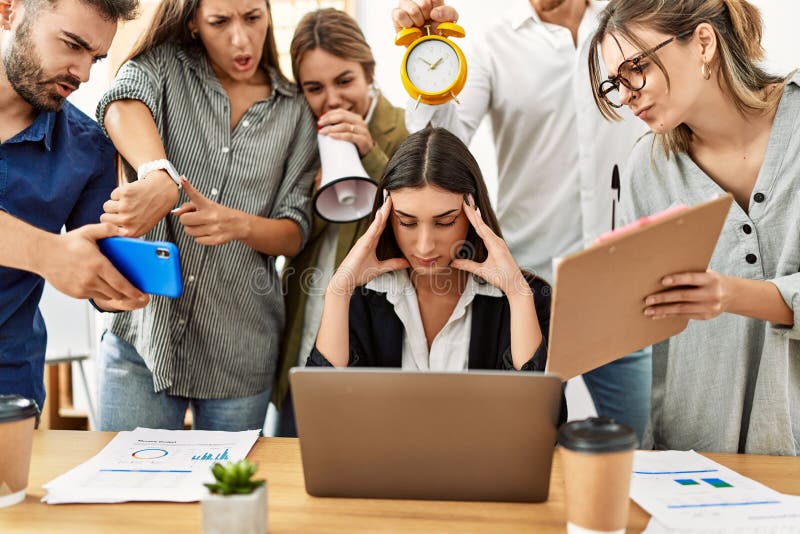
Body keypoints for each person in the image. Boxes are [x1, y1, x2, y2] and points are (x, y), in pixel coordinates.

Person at [392, 0, 651, 440]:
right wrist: (427, 60)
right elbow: (442, 143)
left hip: (621, 287)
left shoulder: (633, 25)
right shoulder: (494, 42)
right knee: (521, 442)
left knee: (640, 447)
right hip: (532, 287)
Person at [95, 0, 317, 432]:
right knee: (126, 491)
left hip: (239, 349)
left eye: (253, 18)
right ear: (194, 23)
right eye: (220, 22)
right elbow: (119, 102)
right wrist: (157, 172)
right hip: (145, 339)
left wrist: (237, 224)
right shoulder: (163, 67)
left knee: (227, 495)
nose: (241, 38)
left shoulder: (294, 112)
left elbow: (295, 232)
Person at [589, 0, 798, 455]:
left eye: (635, 69)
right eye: (615, 83)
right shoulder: (647, 166)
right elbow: (644, 332)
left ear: (703, 42)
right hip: (694, 455)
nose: (626, 96)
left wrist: (735, 295)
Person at [311, 128, 564, 426]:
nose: (424, 245)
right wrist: (337, 293)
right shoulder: (362, 296)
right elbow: (323, 418)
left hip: (483, 470)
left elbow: (542, 423)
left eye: (444, 222)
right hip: (385, 470)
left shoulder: (528, 298)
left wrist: (519, 297)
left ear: (474, 214)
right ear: (386, 217)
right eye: (407, 222)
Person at [0, 0, 146, 412]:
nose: (82, 74)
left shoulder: (90, 148)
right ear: (9, 11)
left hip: (9, 382)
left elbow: (92, 265)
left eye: (95, 58)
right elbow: (57, 257)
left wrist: (117, 283)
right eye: (71, 45)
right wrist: (48, 253)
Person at [272, 8, 409, 437]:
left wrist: (369, 155)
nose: (332, 99)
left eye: (344, 80)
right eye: (314, 88)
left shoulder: (406, 130)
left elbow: (421, 231)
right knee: (294, 466)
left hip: (376, 339)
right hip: (306, 331)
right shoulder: (299, 139)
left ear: (369, 72)